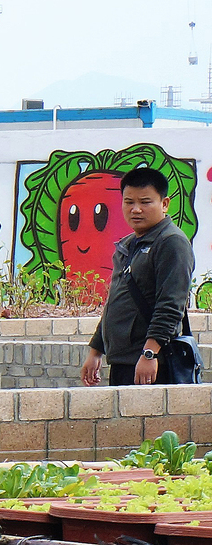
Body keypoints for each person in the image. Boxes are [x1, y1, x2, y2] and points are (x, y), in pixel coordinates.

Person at [82, 165, 198, 387]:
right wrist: (96, 351)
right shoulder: (127, 245)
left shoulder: (171, 242)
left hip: (150, 362)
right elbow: (115, 302)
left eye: (145, 202)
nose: (136, 209)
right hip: (123, 360)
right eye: (129, 202)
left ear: (164, 204)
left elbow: (171, 305)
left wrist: (150, 353)